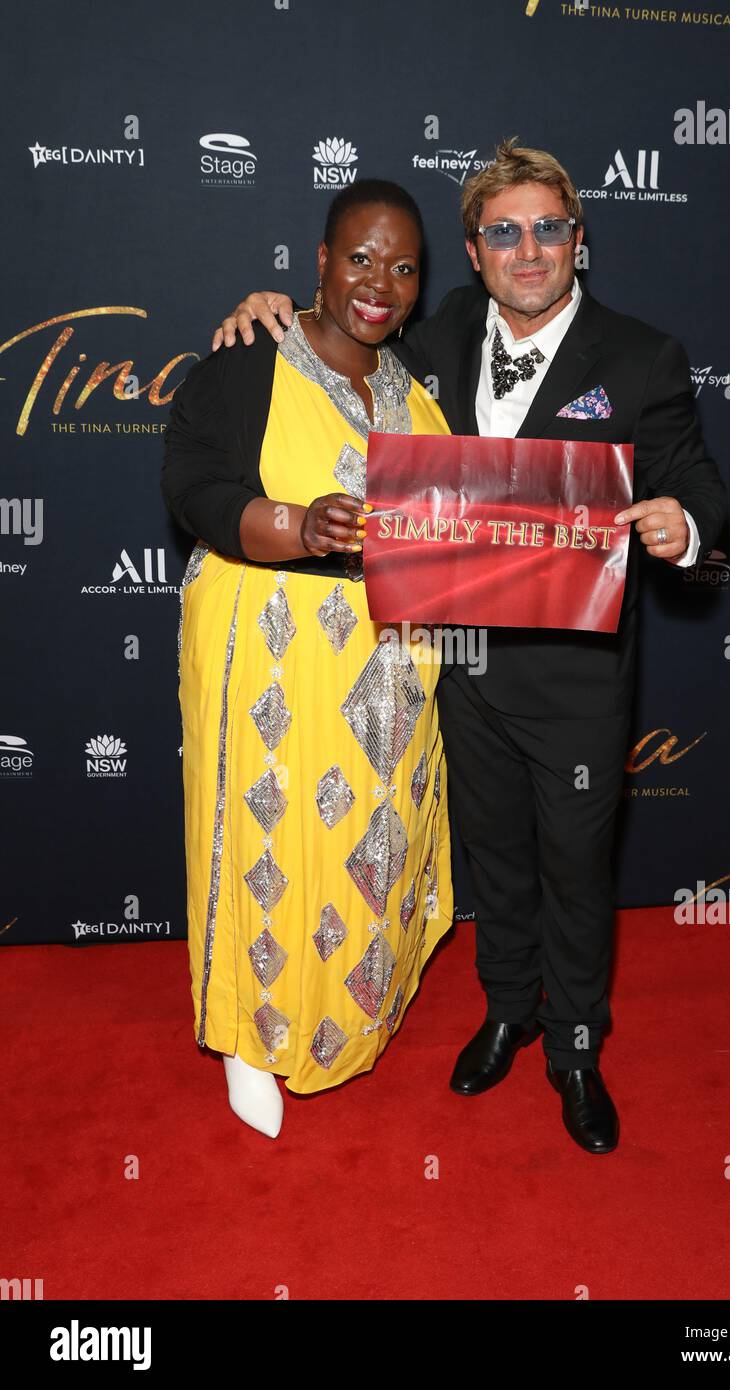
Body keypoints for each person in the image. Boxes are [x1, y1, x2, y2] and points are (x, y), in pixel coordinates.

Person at [212, 139, 726, 1154]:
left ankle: (573, 1048)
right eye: (503, 232)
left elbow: (697, 483)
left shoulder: (640, 356)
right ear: (473, 253)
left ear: (580, 243)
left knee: (575, 866)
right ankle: (506, 1010)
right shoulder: (437, 333)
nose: (526, 250)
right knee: (491, 854)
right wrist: (264, 308)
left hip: (575, 676)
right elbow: (341, 333)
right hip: (454, 665)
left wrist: (684, 526)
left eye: (546, 229)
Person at [161, 180, 454, 1139]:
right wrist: (299, 525)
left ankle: (355, 1006)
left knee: (362, 841)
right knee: (265, 839)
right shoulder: (251, 361)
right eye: (361, 258)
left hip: (387, 663)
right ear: (319, 263)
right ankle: (250, 1036)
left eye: (403, 267)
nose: (381, 283)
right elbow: (195, 490)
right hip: (271, 659)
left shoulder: (417, 394)